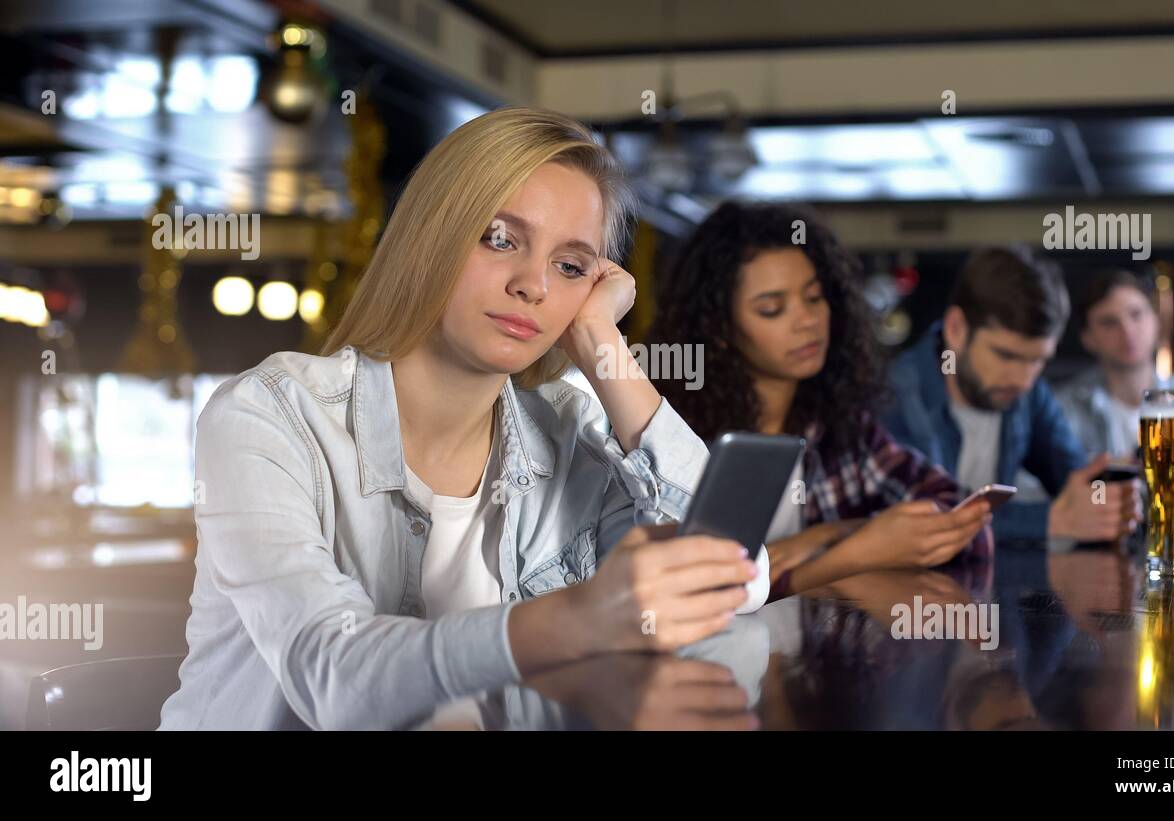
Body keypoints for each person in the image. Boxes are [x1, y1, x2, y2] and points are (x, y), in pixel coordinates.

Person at [160, 107, 768, 731]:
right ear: (431, 239)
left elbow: (740, 578)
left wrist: (602, 344)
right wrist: (575, 619)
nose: (533, 285)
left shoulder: (566, 425)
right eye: (500, 239)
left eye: (570, 266)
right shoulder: (270, 415)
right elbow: (335, 679)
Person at [648, 202, 991, 599]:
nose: (807, 320)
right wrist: (856, 552)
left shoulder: (841, 433)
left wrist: (827, 536)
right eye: (772, 309)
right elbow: (701, 594)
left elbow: (969, 523)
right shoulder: (678, 439)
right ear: (719, 329)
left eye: (814, 298)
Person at [882, 247, 1141, 544]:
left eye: (1037, 360)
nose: (1023, 379)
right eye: (1006, 355)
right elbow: (931, 522)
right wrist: (1054, 519)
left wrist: (1104, 501)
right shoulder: (896, 394)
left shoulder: (1027, 393)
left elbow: (1075, 483)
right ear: (956, 329)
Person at [1055, 269, 1159, 460]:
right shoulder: (1061, 410)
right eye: (1109, 322)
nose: (1127, 331)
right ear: (1088, 338)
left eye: (1136, 315)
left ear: (1156, 320)